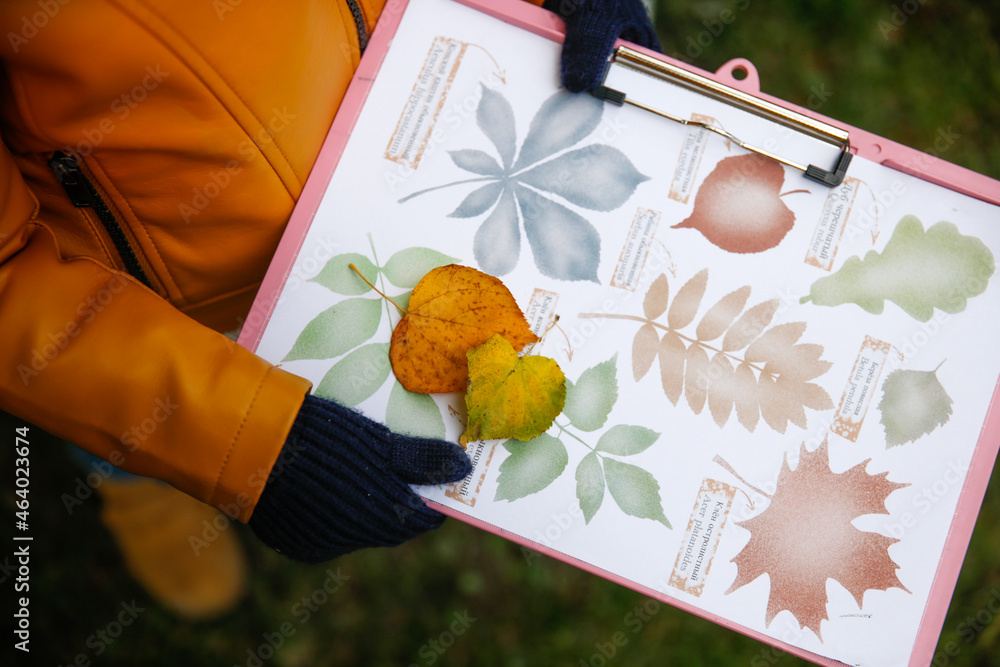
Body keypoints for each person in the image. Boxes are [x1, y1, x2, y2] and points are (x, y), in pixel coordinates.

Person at [0, 0, 660, 619]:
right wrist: (234, 440)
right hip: (169, 302)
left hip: (445, 110)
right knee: (129, 407)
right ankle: (130, 477)